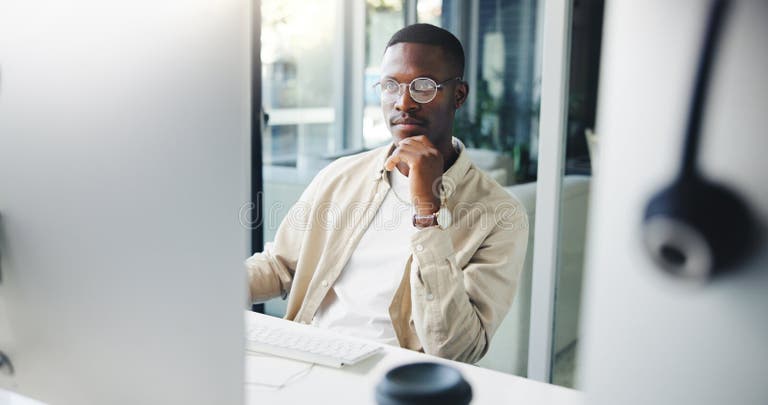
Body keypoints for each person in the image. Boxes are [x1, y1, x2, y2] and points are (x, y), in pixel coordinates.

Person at [246, 23, 528, 364]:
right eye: (391, 86)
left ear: (459, 95)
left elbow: (457, 350)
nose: (404, 103)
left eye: (423, 87)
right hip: (311, 360)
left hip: (403, 381)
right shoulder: (340, 176)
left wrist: (427, 213)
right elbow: (279, 266)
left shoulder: (499, 214)